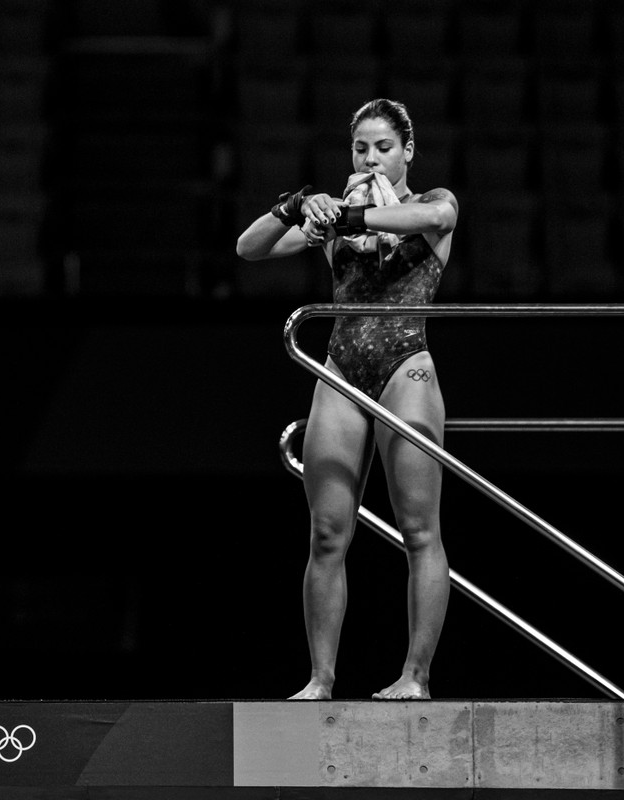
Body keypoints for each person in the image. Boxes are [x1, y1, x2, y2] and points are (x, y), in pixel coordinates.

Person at [235, 98, 458, 701]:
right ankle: (321, 679)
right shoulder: (339, 216)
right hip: (340, 368)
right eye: (360, 148)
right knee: (328, 533)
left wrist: (353, 213)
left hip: (404, 367)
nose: (370, 157)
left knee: (419, 529)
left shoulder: (432, 204)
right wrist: (295, 205)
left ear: (406, 151)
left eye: (383, 147)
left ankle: (415, 677)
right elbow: (249, 249)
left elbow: (427, 217)